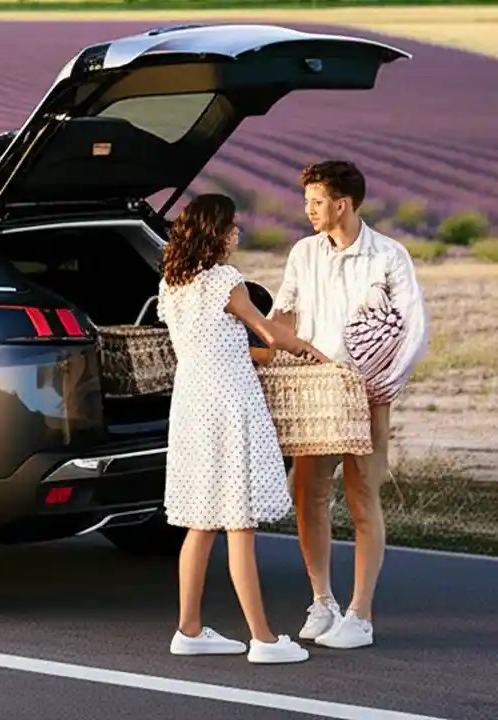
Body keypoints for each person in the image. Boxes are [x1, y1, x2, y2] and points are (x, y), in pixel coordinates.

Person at [158, 193, 325, 665]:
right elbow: (270, 335)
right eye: (232, 227)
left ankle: (189, 629)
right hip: (228, 405)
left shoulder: (173, 284)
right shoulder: (226, 281)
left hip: (191, 405)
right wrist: (307, 347)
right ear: (215, 232)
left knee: (202, 523)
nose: (237, 234)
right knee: (240, 523)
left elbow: (207, 345)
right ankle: (264, 640)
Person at [269, 161, 429, 649]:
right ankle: (322, 602)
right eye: (307, 201)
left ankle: (360, 614)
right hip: (314, 392)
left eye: (316, 201)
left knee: (363, 497)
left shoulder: (389, 256)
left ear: (342, 203)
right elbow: (283, 314)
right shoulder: (303, 252)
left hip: (368, 392)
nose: (308, 210)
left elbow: (414, 327)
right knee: (308, 493)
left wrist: (383, 386)